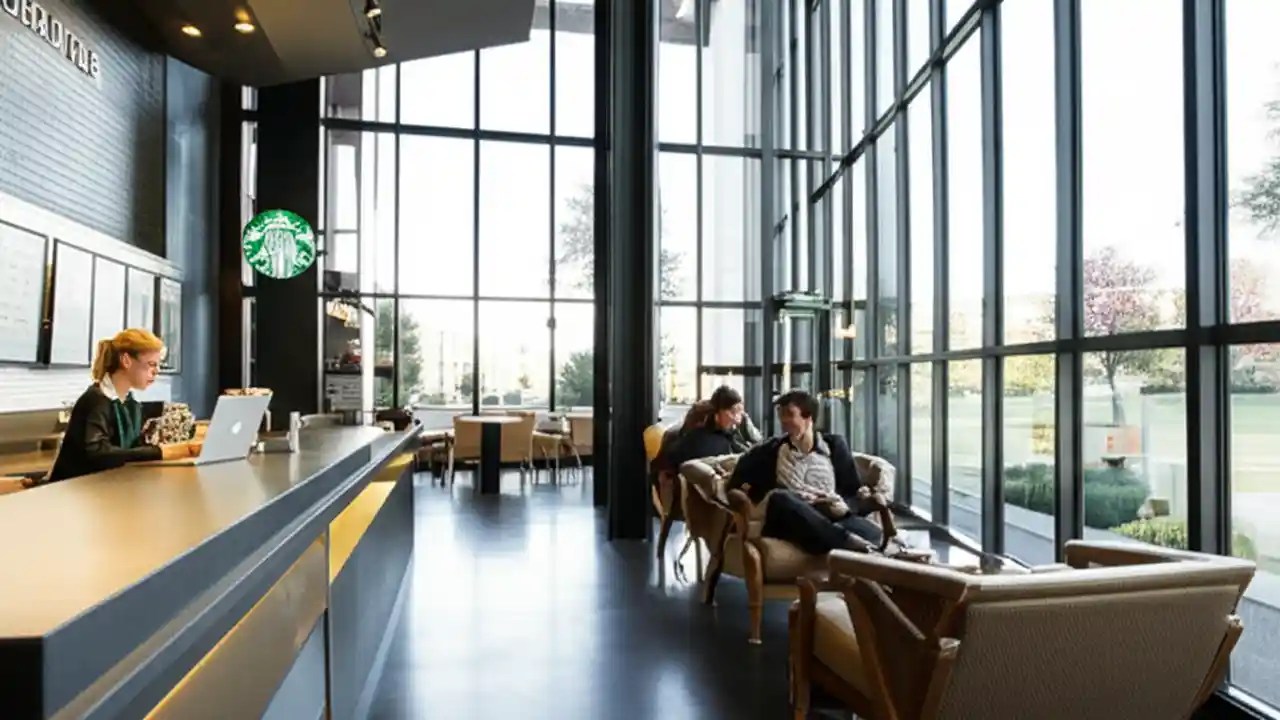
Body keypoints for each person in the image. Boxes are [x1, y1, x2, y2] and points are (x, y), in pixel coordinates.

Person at [727, 389, 893, 555]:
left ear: (809, 417)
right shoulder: (770, 450)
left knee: (872, 533)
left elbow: (852, 493)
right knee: (779, 497)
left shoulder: (834, 446)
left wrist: (842, 506)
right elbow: (736, 480)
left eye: (789, 414)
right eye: (781, 415)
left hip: (830, 517)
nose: (783, 421)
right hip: (791, 518)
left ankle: (867, 548)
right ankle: (848, 543)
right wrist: (748, 496)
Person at [46, 329, 202, 483]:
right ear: (126, 361)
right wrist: (160, 452)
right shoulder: (95, 400)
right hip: (70, 491)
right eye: (151, 364)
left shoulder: (130, 404)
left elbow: (130, 449)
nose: (156, 371)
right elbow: (98, 454)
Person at [660, 385, 761, 471]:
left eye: (740, 412)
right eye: (733, 412)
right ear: (717, 414)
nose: (737, 419)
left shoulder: (733, 434)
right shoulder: (701, 439)